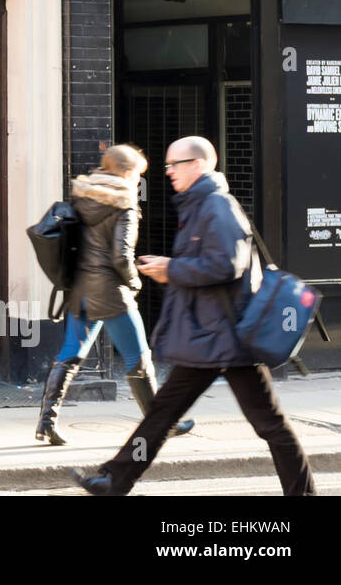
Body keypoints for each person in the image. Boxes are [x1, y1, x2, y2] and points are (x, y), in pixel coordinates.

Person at [73, 136, 316, 496]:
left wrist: (172, 269)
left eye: (175, 164)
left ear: (199, 165)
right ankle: (114, 480)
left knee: (270, 425)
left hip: (231, 340)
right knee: (161, 415)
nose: (168, 171)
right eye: (167, 165)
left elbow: (226, 265)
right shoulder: (198, 205)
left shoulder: (217, 206)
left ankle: (304, 493)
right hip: (206, 338)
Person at [36, 144, 194, 445]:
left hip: (80, 290)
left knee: (70, 355)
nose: (138, 180)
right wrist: (134, 281)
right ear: (125, 172)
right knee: (139, 358)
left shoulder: (84, 195)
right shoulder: (125, 204)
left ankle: (46, 422)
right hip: (110, 293)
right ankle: (162, 424)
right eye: (137, 174)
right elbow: (120, 256)